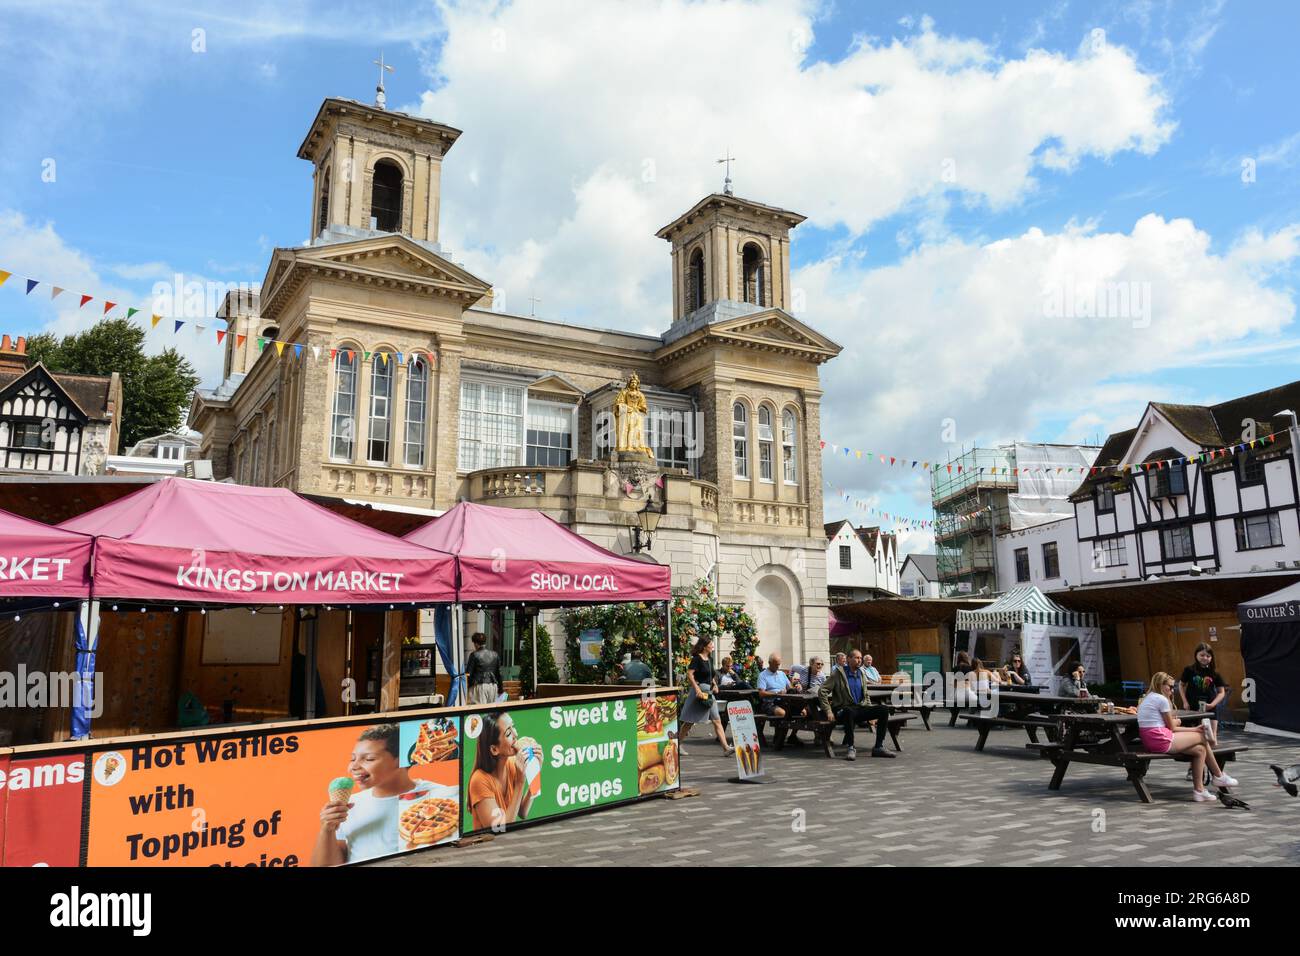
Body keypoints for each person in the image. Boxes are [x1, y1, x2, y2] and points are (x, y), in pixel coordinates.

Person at [312, 724, 439, 866]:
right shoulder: (349, 806)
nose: (353, 767)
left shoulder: (439, 795)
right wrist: (327, 829)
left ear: (402, 759)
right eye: (353, 759)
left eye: (369, 759)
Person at [1137, 672, 1237, 801]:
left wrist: (1193, 728)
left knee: (1200, 750)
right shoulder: (1161, 699)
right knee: (1202, 736)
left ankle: (1199, 791)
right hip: (1160, 739)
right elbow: (1172, 727)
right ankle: (1218, 775)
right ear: (1161, 685)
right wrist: (1179, 723)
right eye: (1170, 687)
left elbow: (1168, 726)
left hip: (1152, 739)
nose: (1172, 690)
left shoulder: (1148, 697)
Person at [818, 649, 896, 760]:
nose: (859, 660)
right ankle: (850, 747)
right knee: (849, 711)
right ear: (848, 659)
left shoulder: (861, 673)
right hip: (842, 710)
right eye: (856, 658)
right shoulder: (838, 674)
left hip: (859, 708)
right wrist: (828, 710)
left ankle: (878, 747)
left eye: (860, 658)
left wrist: (870, 712)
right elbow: (822, 691)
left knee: (883, 709)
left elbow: (865, 694)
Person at [468, 712, 539, 830]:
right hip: (488, 846)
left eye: (513, 727)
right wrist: (520, 782)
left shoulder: (511, 764)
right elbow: (501, 830)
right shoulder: (479, 780)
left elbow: (522, 812)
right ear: (494, 749)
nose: (516, 734)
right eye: (508, 733)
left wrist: (535, 772)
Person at [678, 638, 734, 756]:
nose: (712, 646)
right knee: (689, 721)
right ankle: (677, 744)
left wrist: (714, 684)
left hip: (708, 693)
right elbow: (689, 674)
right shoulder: (697, 659)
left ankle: (726, 748)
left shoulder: (710, 659)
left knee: (717, 720)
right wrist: (697, 688)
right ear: (704, 646)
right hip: (699, 693)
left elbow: (711, 675)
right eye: (710, 644)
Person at [466, 632, 502, 705]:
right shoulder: (495, 654)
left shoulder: (474, 655)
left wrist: (468, 687)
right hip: (493, 686)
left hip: (479, 686)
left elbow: (468, 673)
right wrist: (500, 688)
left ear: (476, 643)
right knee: (490, 711)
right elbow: (499, 673)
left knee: (478, 712)